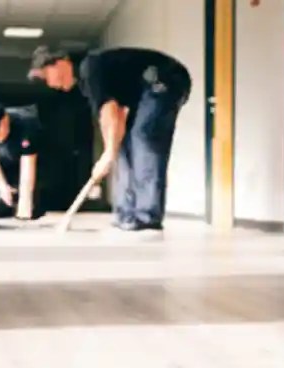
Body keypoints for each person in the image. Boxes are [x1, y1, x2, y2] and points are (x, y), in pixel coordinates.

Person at [28, 46, 191, 232]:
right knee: (124, 144)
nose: (50, 84)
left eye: (46, 76)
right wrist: (110, 151)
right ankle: (126, 213)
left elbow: (110, 112)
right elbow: (114, 115)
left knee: (143, 136)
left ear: (60, 63)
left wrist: (108, 153)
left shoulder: (89, 68)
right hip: (142, 92)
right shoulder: (86, 82)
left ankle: (147, 215)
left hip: (165, 78)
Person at [0, 101, 43, 220]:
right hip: (4, 161)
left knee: (29, 208)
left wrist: (25, 203)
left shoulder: (26, 124)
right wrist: (3, 188)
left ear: (5, 120)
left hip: (31, 159)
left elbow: (28, 165)